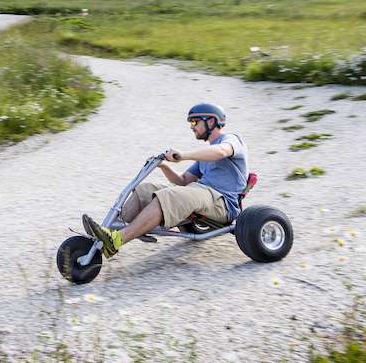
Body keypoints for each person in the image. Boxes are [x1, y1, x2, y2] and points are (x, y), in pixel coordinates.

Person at [83, 102, 247, 258]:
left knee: (169, 195)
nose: (192, 127)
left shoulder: (231, 140)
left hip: (222, 202)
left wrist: (183, 155)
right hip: (200, 193)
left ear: (211, 121)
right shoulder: (203, 157)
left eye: (195, 122)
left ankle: (116, 241)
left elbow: (221, 152)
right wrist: (163, 166)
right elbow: (183, 181)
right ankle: (106, 233)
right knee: (145, 190)